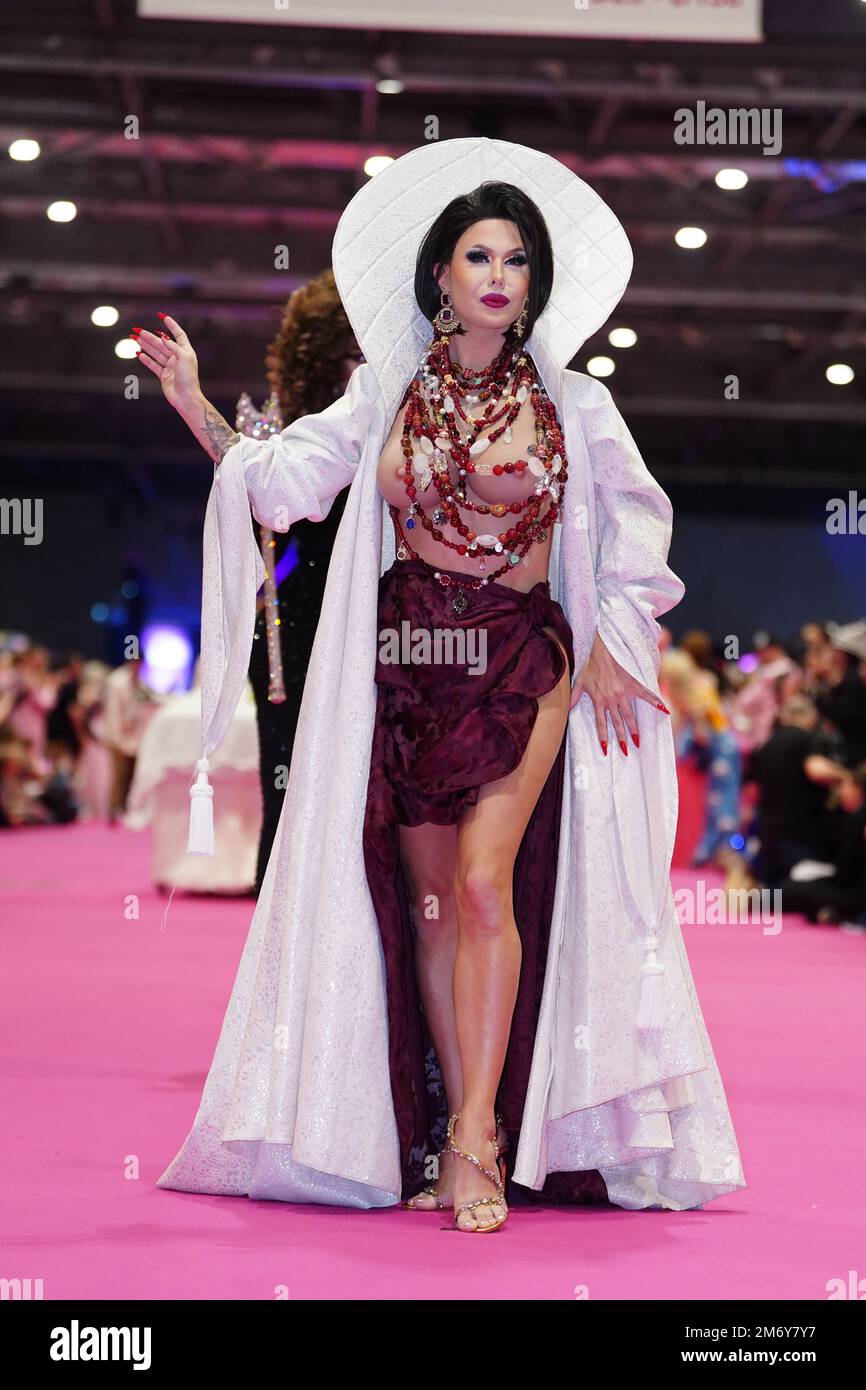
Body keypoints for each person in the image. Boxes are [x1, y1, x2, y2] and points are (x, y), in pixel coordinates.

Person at [137, 138, 745, 1230]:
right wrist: (192, 403)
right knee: (427, 911)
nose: (499, 274)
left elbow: (636, 531)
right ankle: (438, 1121)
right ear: (440, 276)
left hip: (523, 658)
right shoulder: (383, 392)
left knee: (478, 886)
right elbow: (281, 483)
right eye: (478, 253)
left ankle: (475, 1133)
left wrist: (611, 635)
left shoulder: (575, 400)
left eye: (516, 257)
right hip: (408, 664)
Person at [237, 270, 363, 896]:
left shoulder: (356, 427)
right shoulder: (311, 439)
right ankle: (282, 906)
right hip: (302, 627)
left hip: (327, 618)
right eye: (354, 354)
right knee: (287, 776)